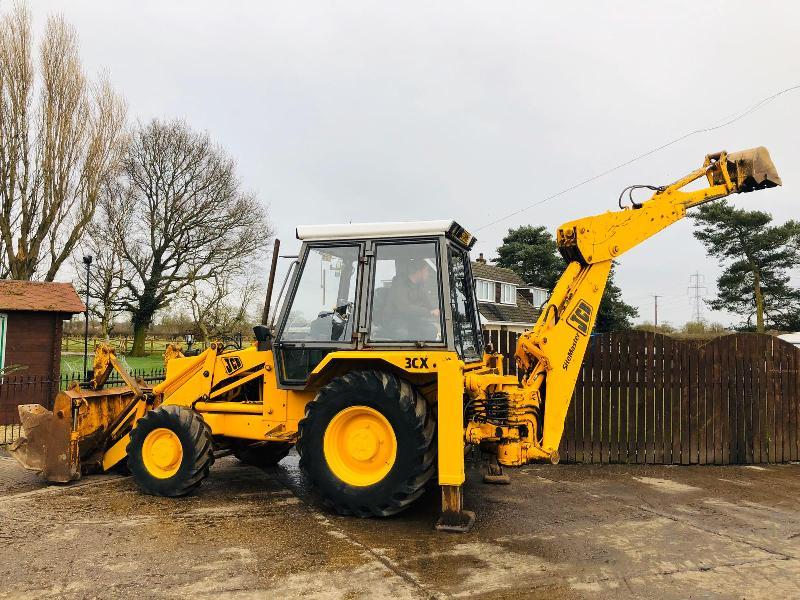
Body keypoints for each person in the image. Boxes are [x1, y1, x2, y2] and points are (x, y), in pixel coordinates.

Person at [381, 257, 441, 341]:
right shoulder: (399, 286)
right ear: (419, 271)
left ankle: (425, 354)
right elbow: (404, 308)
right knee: (403, 334)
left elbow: (429, 306)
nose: (428, 274)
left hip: (410, 321)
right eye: (426, 271)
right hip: (394, 321)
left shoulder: (419, 288)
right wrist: (429, 312)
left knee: (431, 330)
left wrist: (438, 310)